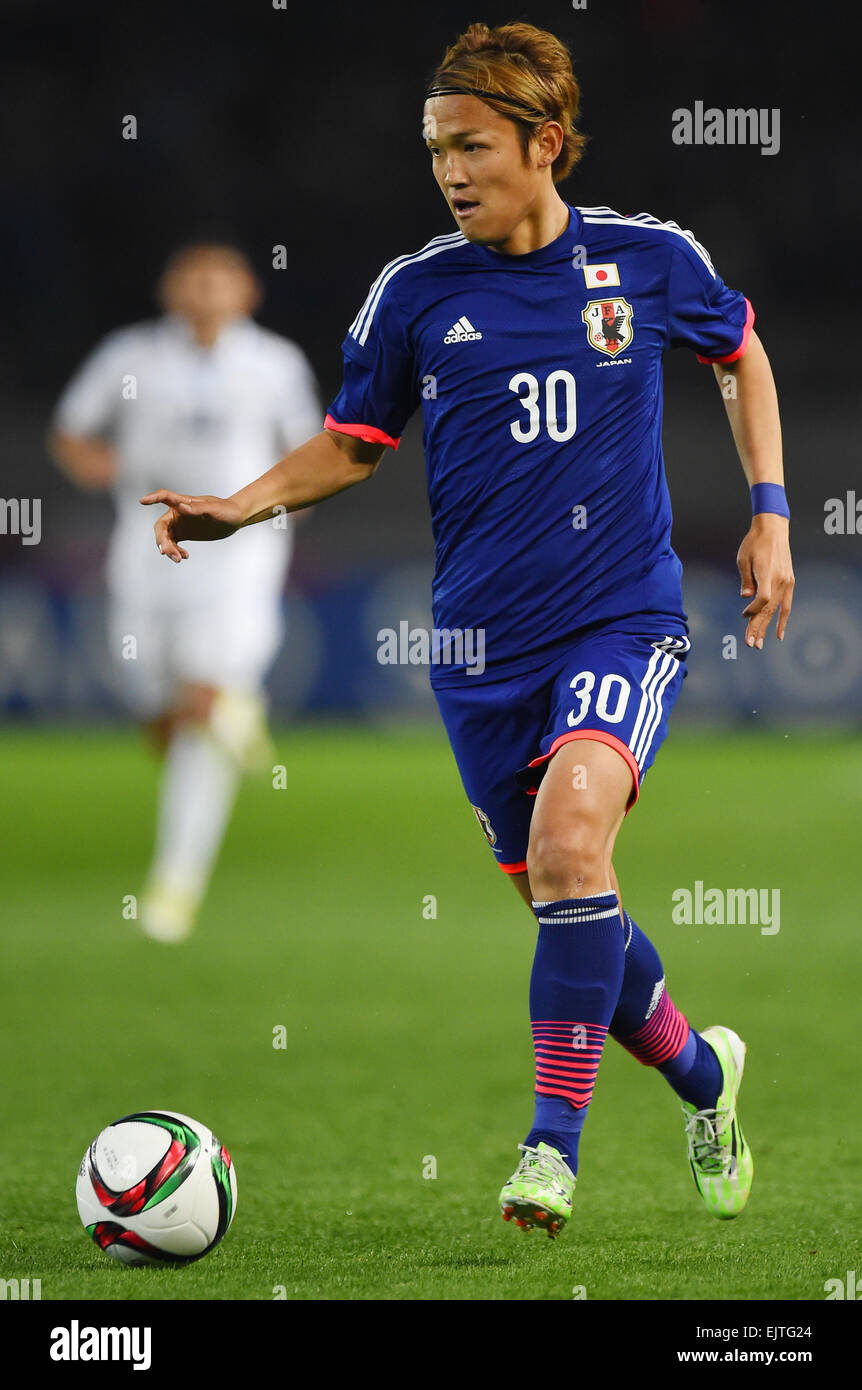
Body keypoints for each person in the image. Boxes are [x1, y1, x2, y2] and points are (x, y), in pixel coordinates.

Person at [141, 23, 794, 1236]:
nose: (449, 171)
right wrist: (241, 503)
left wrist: (769, 511)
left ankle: (549, 1152)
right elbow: (351, 442)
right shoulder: (417, 290)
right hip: (481, 652)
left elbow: (739, 350)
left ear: (544, 144)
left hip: (623, 618)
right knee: (568, 891)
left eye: (472, 146)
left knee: (571, 847)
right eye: (436, 148)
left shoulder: (647, 261)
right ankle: (704, 1079)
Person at [51, 242, 321, 943]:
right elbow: (72, 432)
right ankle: (233, 713)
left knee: (201, 699)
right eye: (192, 281)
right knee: (153, 702)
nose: (205, 293)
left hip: (237, 551)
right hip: (145, 549)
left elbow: (310, 452)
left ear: (247, 292)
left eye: (218, 280)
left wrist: (280, 507)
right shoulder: (130, 357)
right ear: (171, 290)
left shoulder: (274, 363)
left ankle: (176, 880)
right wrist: (105, 469)